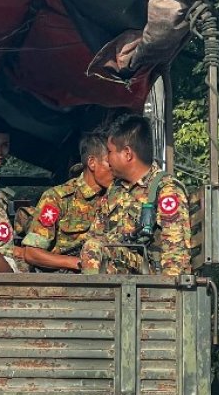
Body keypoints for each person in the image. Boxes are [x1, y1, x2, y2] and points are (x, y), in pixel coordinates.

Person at [80, 114, 192, 275]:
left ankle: (94, 299)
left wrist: (166, 296)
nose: (108, 159)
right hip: (118, 271)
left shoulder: (165, 189)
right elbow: (95, 235)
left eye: (110, 152)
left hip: (148, 277)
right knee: (92, 246)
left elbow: (176, 255)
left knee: (94, 248)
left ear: (127, 153)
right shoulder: (116, 188)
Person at [19, 131, 110, 272]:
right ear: (92, 163)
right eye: (110, 163)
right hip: (66, 281)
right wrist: (78, 263)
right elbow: (32, 253)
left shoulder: (116, 196)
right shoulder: (58, 198)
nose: (116, 169)